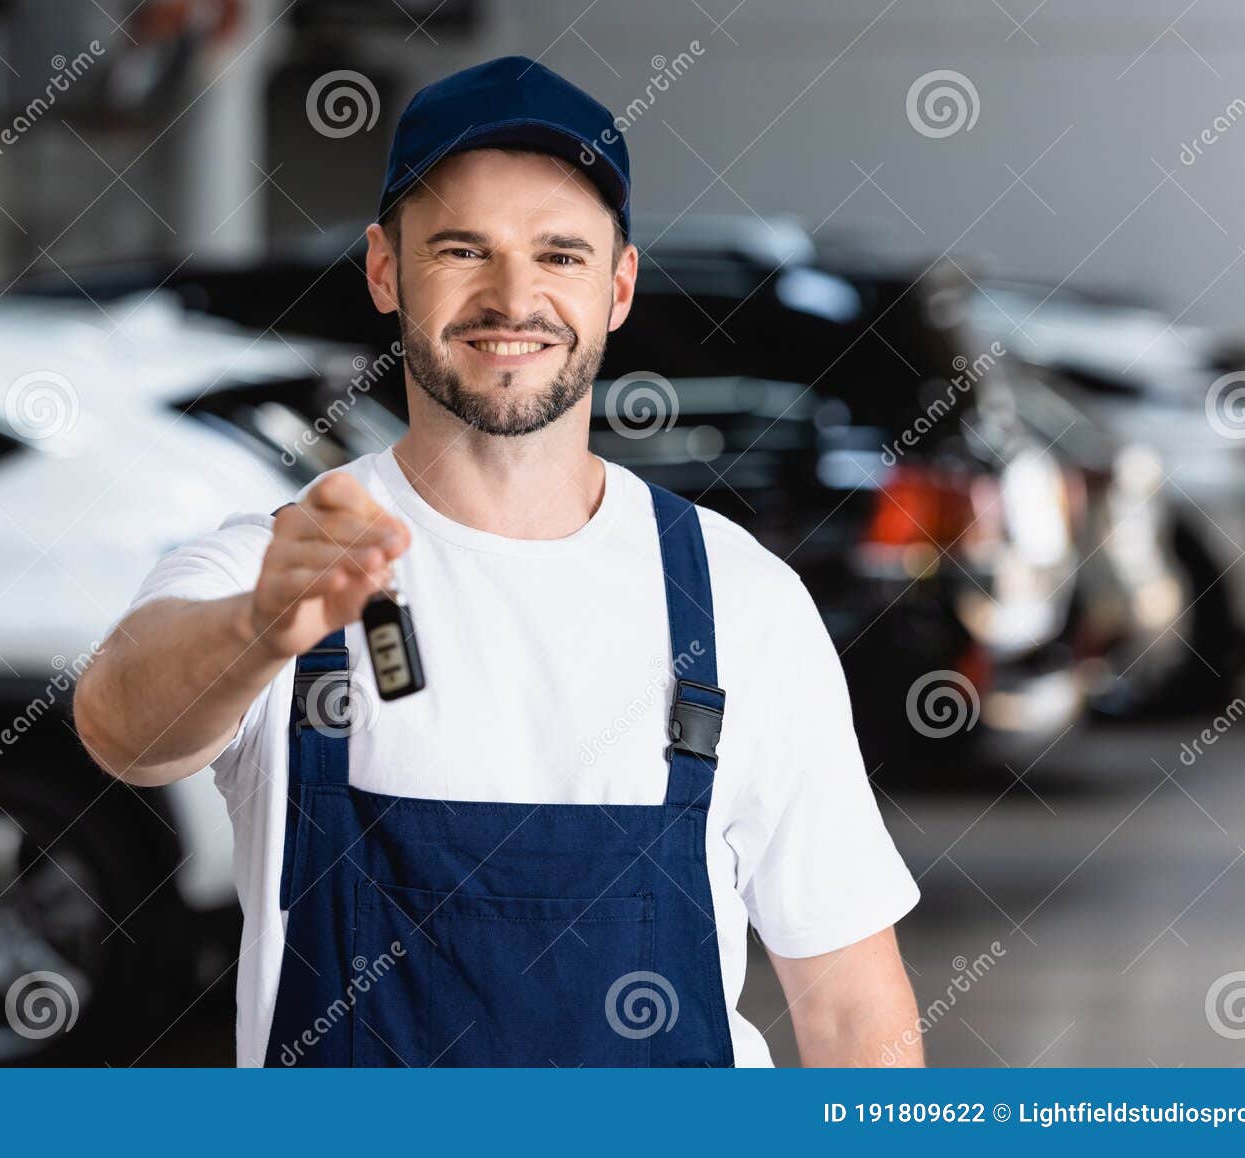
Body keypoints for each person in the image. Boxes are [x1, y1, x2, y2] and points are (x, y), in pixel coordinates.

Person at [74, 55, 922, 1067]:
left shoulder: (739, 603)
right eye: (463, 250)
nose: (512, 298)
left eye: (559, 255)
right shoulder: (276, 570)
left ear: (618, 286)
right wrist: (256, 629)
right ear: (385, 270)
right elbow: (120, 725)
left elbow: (852, 1014)